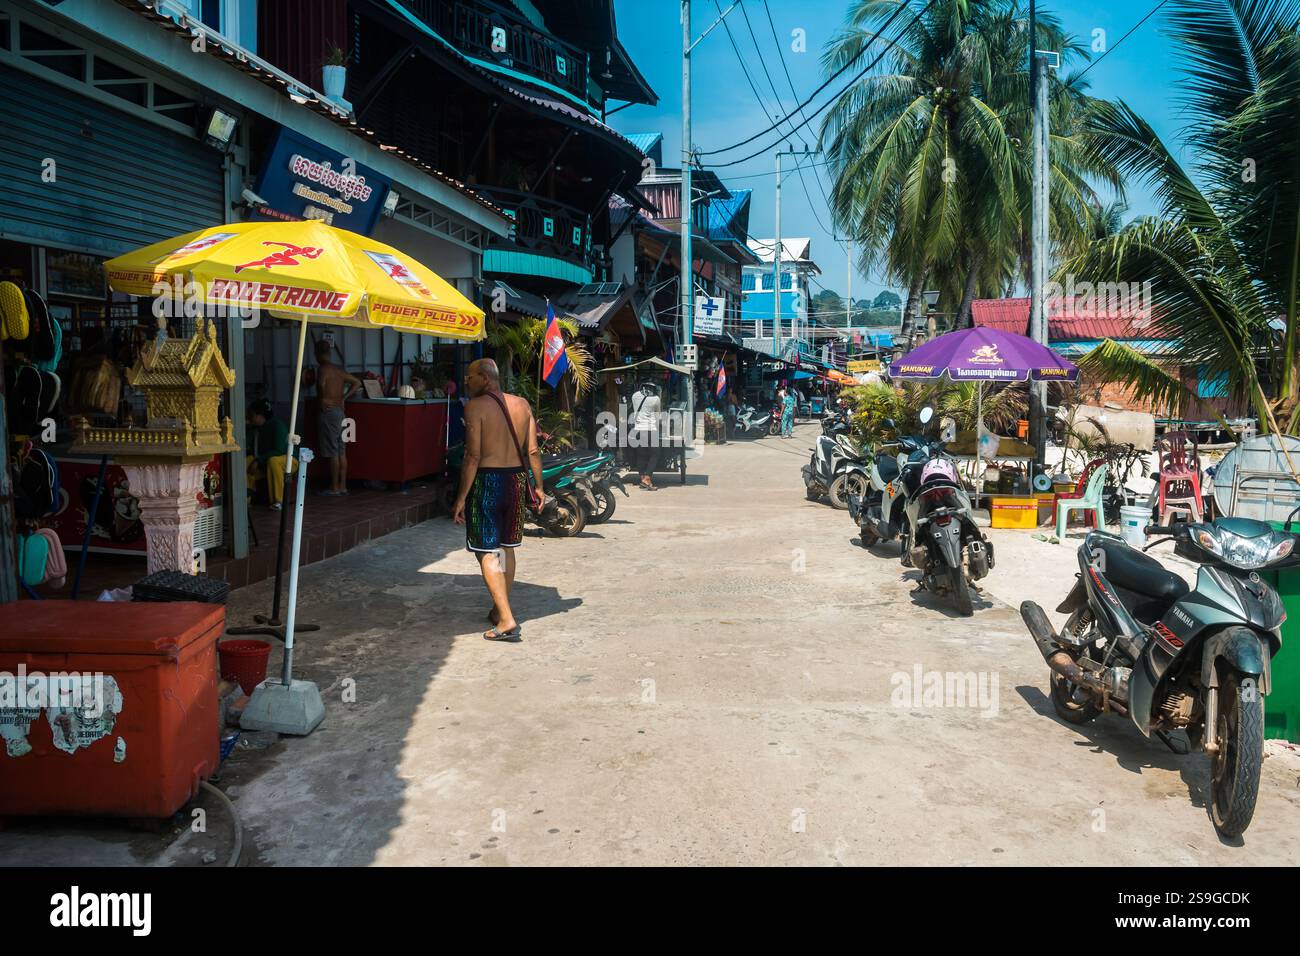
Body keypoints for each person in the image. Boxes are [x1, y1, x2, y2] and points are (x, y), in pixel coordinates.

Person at [452, 358, 544, 643]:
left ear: (484, 377)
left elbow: (472, 456)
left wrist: (461, 498)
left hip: (487, 481)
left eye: (470, 377)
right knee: (507, 547)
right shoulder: (523, 405)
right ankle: (498, 608)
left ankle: (506, 619)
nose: (467, 382)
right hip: (517, 481)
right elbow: (532, 451)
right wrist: (539, 487)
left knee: (486, 551)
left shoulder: (475, 407)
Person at [314, 339, 360, 496]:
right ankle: (343, 486)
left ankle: (334, 488)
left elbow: (321, 384)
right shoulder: (338, 370)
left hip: (329, 412)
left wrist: (322, 398)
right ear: (329, 353)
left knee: (333, 452)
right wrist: (343, 397)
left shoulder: (322, 369)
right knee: (342, 451)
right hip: (341, 412)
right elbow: (357, 382)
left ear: (317, 354)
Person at [246, 399, 289, 510]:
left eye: (251, 415)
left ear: (260, 416)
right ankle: (246, 498)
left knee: (273, 461)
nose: (249, 417)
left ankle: (278, 501)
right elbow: (245, 444)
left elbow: (279, 450)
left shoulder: (277, 425)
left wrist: (258, 460)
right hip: (266, 462)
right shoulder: (256, 428)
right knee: (247, 460)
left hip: (288, 460)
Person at [630, 380, 661, 490]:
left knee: (641, 455)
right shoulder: (656, 399)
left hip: (638, 430)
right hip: (650, 430)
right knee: (655, 454)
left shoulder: (635, 396)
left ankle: (643, 479)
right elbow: (657, 416)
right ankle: (647, 478)